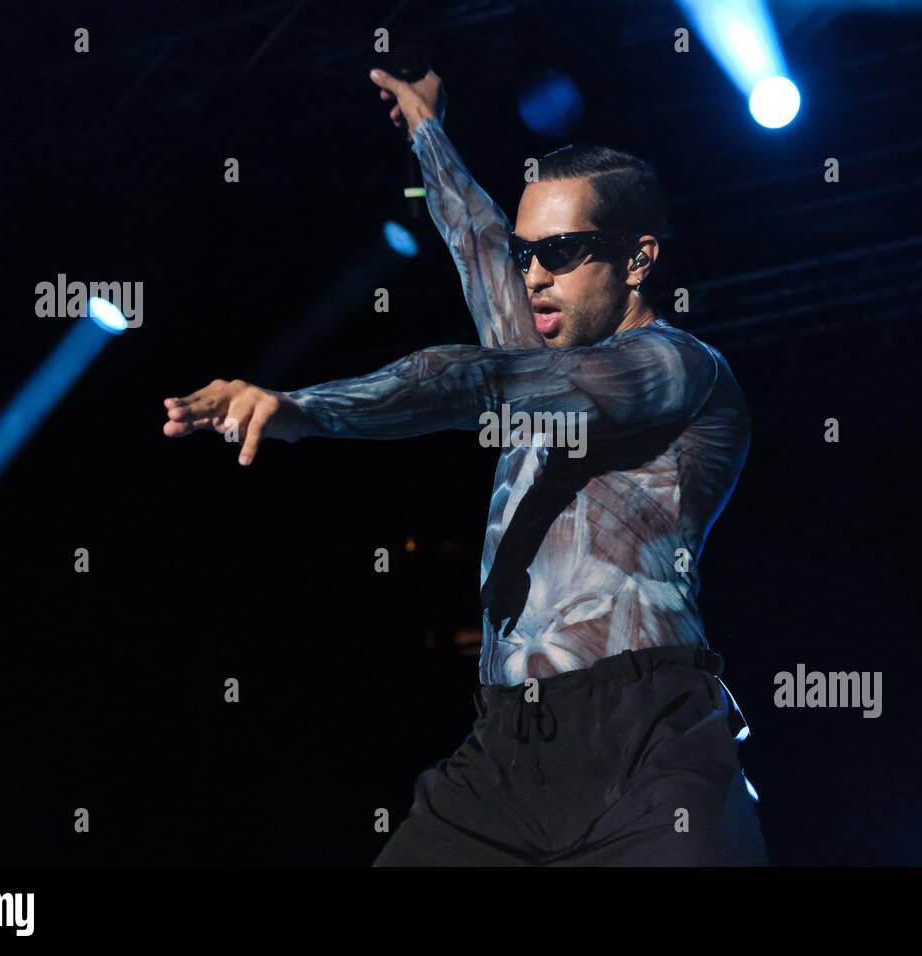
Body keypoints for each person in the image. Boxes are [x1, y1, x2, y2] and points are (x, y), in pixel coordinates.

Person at [160, 68, 767, 866]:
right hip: (503, 752)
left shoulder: (675, 368)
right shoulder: (543, 332)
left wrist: (304, 409)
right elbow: (477, 239)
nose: (535, 275)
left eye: (563, 252)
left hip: (645, 740)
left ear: (638, 258)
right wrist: (427, 130)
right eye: (530, 254)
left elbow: (484, 379)